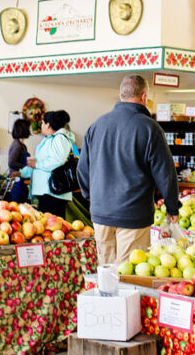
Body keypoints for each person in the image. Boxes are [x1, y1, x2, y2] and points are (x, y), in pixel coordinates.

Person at [77, 74, 180, 264]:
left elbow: (82, 170)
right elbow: (166, 174)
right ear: (144, 97)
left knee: (106, 273)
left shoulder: (96, 126)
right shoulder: (149, 128)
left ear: (120, 95)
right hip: (133, 213)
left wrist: (95, 198)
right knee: (128, 276)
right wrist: (172, 206)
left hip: (101, 213)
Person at [18, 110, 73, 217]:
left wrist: (37, 164)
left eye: (43, 123)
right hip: (47, 192)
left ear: (48, 125)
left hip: (53, 192)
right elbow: (44, 160)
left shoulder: (59, 138)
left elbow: (58, 160)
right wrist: (23, 171)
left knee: (54, 228)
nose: (41, 125)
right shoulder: (51, 139)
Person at [7, 117, 31, 201]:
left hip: (22, 180)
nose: (29, 130)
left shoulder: (22, 145)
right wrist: (26, 166)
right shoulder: (17, 146)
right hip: (16, 182)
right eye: (28, 128)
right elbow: (11, 162)